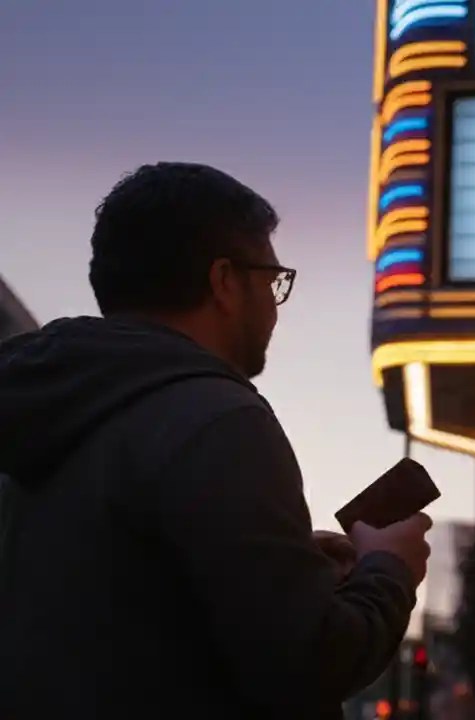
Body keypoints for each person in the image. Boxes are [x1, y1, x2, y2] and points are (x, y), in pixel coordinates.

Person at [0, 163, 430, 719]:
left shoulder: (43, 404)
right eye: (273, 281)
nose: (275, 307)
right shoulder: (218, 420)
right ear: (225, 281)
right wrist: (389, 569)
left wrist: (289, 563)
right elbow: (307, 662)